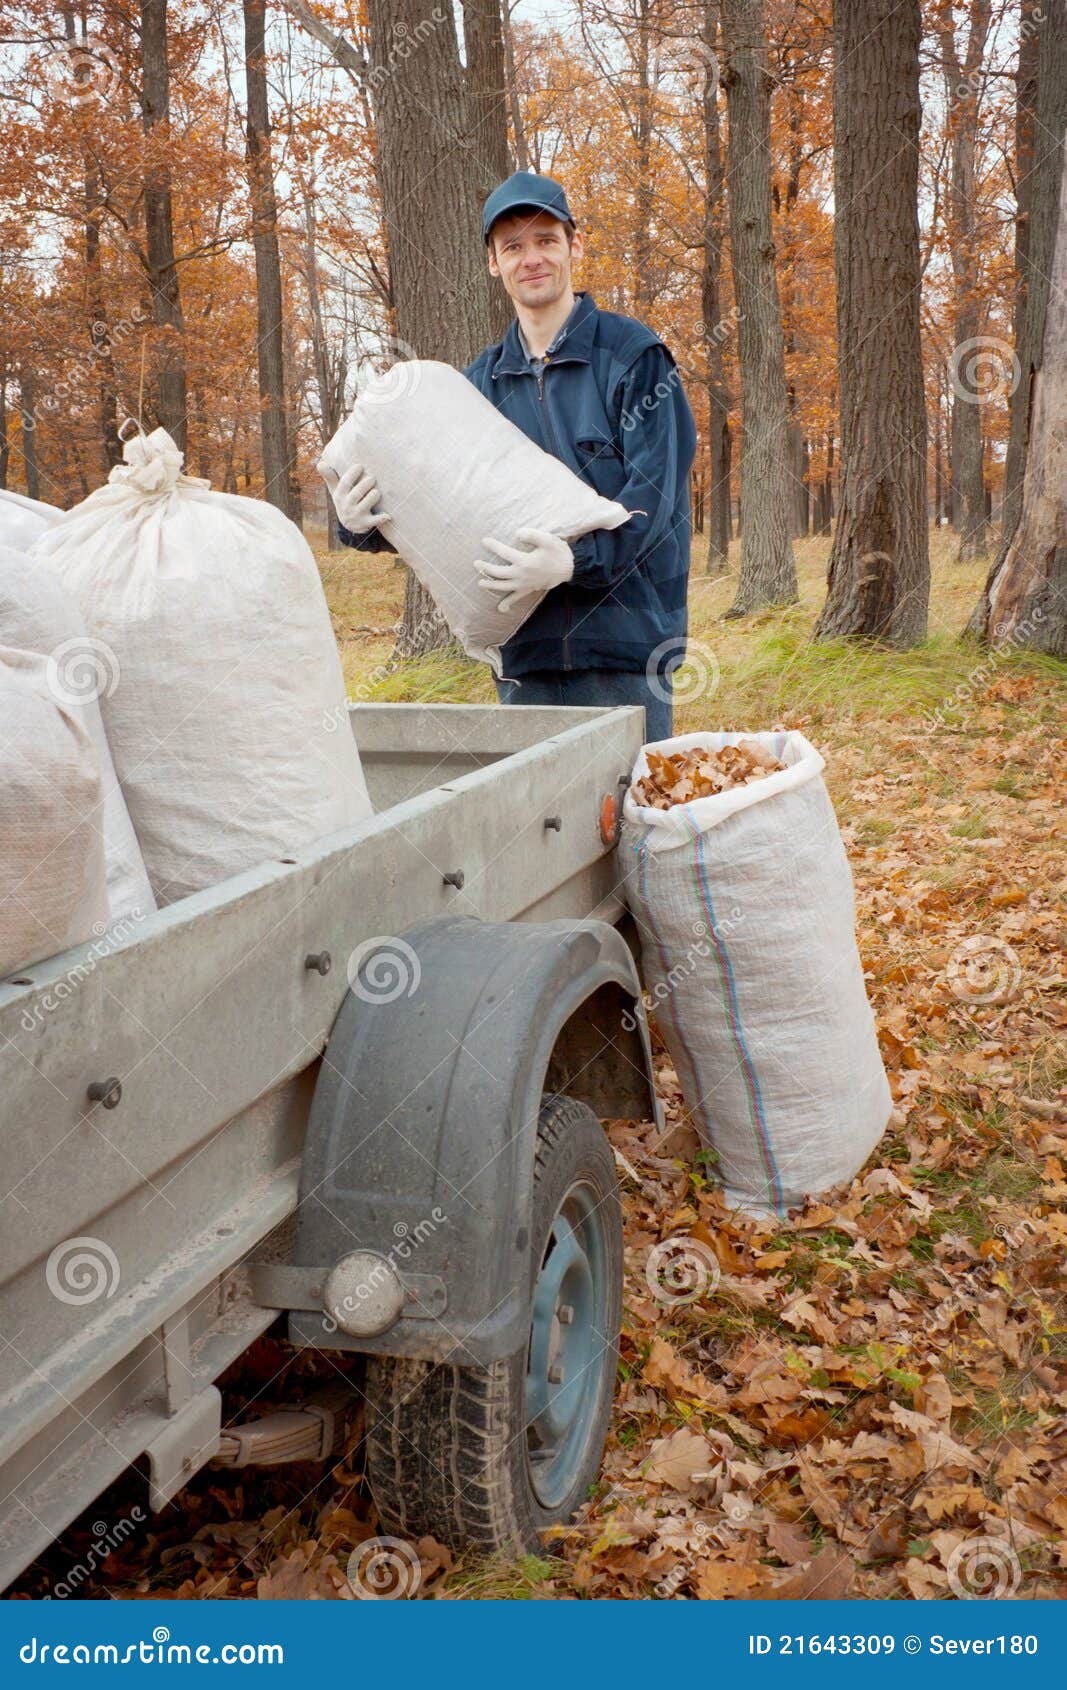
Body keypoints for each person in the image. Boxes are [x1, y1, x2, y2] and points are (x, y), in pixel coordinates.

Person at [328, 171, 697, 742]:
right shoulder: (477, 386)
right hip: (527, 653)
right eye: (513, 247)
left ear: (575, 245)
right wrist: (360, 525)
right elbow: (439, 505)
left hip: (627, 651)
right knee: (539, 824)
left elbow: (657, 493)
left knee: (632, 823)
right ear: (493, 264)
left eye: (546, 240)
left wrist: (578, 562)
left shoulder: (633, 357)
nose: (533, 258)